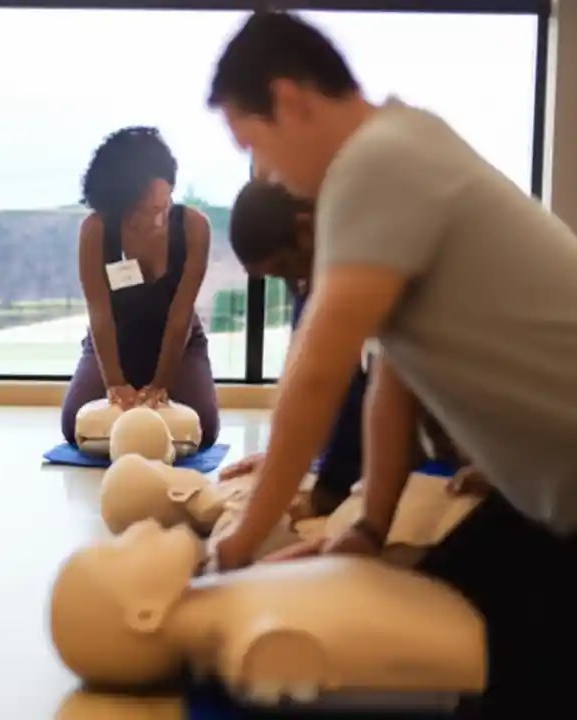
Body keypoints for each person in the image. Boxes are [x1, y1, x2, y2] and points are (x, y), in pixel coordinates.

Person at [205, 10, 576, 713]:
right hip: (546, 502)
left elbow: (318, 373)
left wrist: (234, 552)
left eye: (257, 146)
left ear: (290, 100)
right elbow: (394, 380)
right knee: (444, 617)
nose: (272, 174)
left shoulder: (376, 164)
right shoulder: (397, 151)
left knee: (504, 673)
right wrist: (369, 528)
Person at [60, 127, 219, 448]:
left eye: (163, 207)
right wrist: (115, 385)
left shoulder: (193, 227)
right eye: (145, 211)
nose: (157, 221)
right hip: (113, 342)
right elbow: (100, 314)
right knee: (74, 424)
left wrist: (160, 386)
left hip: (179, 342)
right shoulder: (96, 230)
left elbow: (181, 315)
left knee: (202, 428)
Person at [219, 179, 364, 516]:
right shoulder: (306, 280)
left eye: (284, 267)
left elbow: (344, 388)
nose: (291, 283)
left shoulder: (361, 263)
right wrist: (283, 459)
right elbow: (305, 384)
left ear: (306, 229)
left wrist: (327, 492)